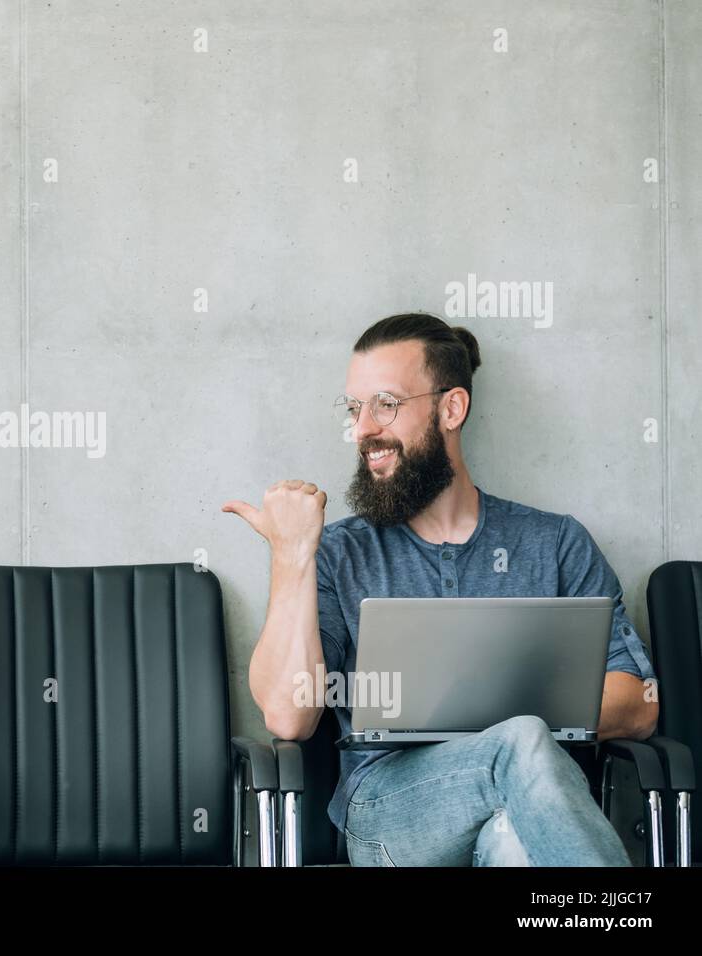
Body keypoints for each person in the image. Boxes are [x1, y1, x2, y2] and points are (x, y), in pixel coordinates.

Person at [223, 313, 658, 866]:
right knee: (520, 740)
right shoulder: (339, 552)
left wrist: (480, 714)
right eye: (355, 409)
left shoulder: (555, 543)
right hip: (391, 811)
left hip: (538, 806)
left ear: (451, 408)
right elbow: (288, 715)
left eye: (385, 404)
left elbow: (640, 704)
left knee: (512, 841)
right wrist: (291, 555)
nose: (362, 430)